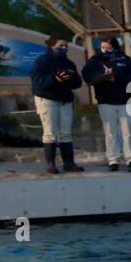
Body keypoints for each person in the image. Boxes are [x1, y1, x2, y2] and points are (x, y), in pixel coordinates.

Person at [82, 36, 131, 171]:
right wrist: (102, 75)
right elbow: (86, 75)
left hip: (125, 101)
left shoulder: (126, 60)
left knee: (127, 132)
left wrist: (117, 77)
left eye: (109, 48)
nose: (106, 50)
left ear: (115, 47)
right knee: (110, 132)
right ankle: (113, 159)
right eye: (103, 47)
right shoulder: (95, 60)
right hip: (106, 101)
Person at [29, 35, 84, 173]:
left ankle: (69, 163)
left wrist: (70, 78)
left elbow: (77, 83)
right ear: (51, 46)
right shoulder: (41, 61)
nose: (64, 48)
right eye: (60, 45)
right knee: (50, 133)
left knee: (66, 133)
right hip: (47, 99)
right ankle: (51, 164)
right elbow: (37, 80)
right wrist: (55, 79)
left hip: (65, 100)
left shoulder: (69, 63)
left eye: (66, 46)